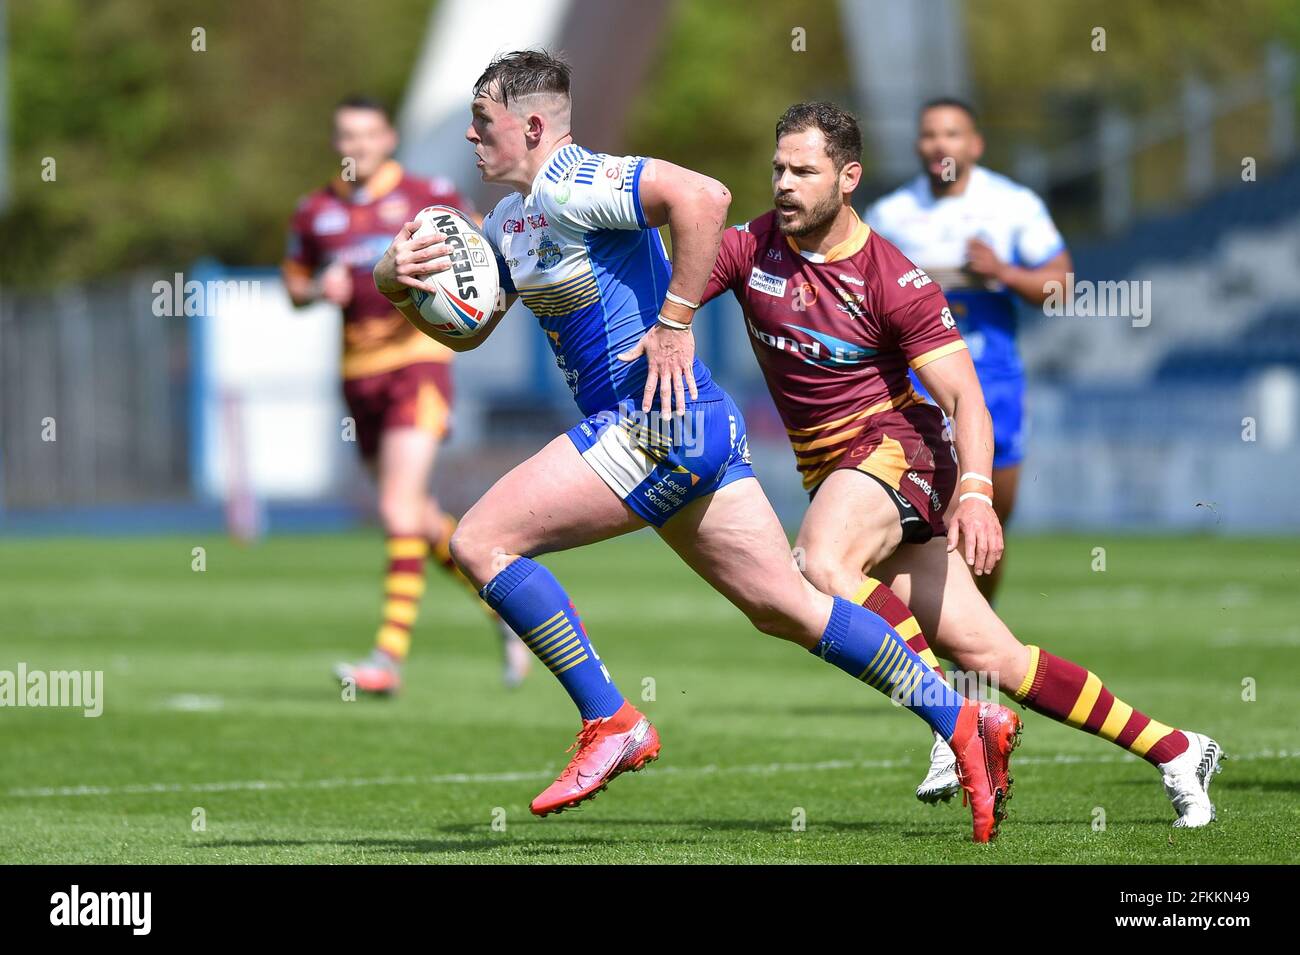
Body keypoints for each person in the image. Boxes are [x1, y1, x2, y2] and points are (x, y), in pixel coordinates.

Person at [373, 51, 1021, 842]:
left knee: (480, 540)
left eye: (484, 120)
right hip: (685, 428)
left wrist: (675, 322)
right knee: (785, 605)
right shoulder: (511, 220)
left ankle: (610, 719)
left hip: (654, 424)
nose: (473, 136)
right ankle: (963, 721)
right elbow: (470, 329)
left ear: (533, 125)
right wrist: (392, 279)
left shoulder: (582, 180)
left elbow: (705, 197)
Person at [701, 101, 1222, 829]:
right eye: (778, 168)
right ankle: (1175, 747)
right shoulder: (750, 247)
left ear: (848, 177)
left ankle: (954, 720)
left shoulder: (894, 279)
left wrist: (975, 494)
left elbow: (965, 401)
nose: (784, 183)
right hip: (840, 471)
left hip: (898, 449)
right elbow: (669, 293)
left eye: (804, 170)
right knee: (997, 654)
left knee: (820, 561)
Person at [282, 95, 530, 694]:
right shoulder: (315, 211)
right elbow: (293, 287)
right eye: (346, 136)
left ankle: (386, 661)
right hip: (357, 374)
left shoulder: (429, 194)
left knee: (398, 507)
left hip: (417, 364)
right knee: (414, 517)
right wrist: (319, 288)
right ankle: (509, 613)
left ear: (387, 138)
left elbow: (482, 253)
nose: (355, 147)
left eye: (366, 135)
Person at [865, 97, 1071, 602]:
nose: (940, 144)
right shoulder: (890, 214)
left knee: (990, 522)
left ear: (974, 144)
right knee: (924, 525)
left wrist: (1002, 273)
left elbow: (1061, 287)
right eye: (930, 134)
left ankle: (976, 636)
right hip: (916, 387)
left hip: (993, 382)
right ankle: (926, 649)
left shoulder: (1013, 205)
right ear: (918, 145)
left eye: (952, 134)